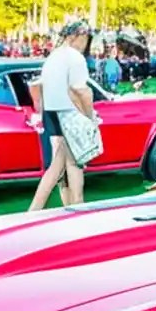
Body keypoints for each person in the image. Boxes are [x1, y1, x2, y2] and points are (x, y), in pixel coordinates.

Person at [28, 21, 97, 211]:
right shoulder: (76, 58)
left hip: (52, 113)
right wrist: (89, 116)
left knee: (63, 165)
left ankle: (67, 207)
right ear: (78, 36)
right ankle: (73, 207)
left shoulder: (53, 56)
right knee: (69, 164)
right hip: (70, 113)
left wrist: (41, 109)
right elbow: (79, 90)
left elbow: (37, 86)